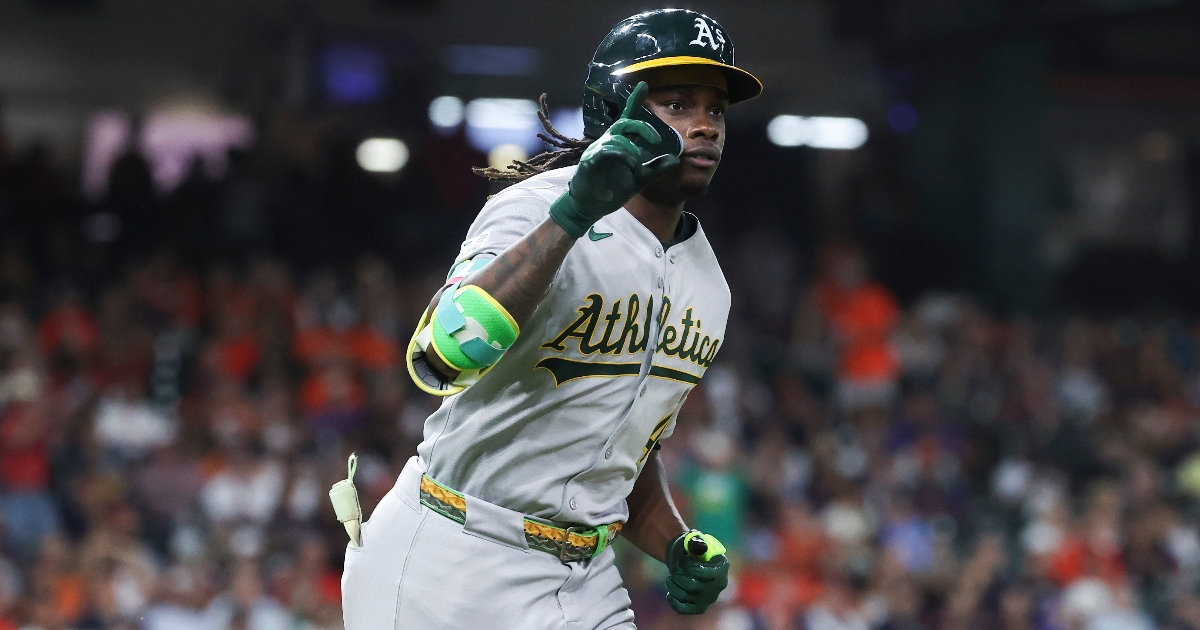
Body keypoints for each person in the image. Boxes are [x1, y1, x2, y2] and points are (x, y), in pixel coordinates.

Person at [340, 8, 762, 629]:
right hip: (453, 549)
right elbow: (442, 354)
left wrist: (673, 540)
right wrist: (570, 218)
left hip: (583, 573)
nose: (704, 126)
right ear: (618, 111)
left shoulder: (709, 285)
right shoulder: (535, 208)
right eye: (678, 104)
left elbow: (623, 448)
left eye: (716, 109)